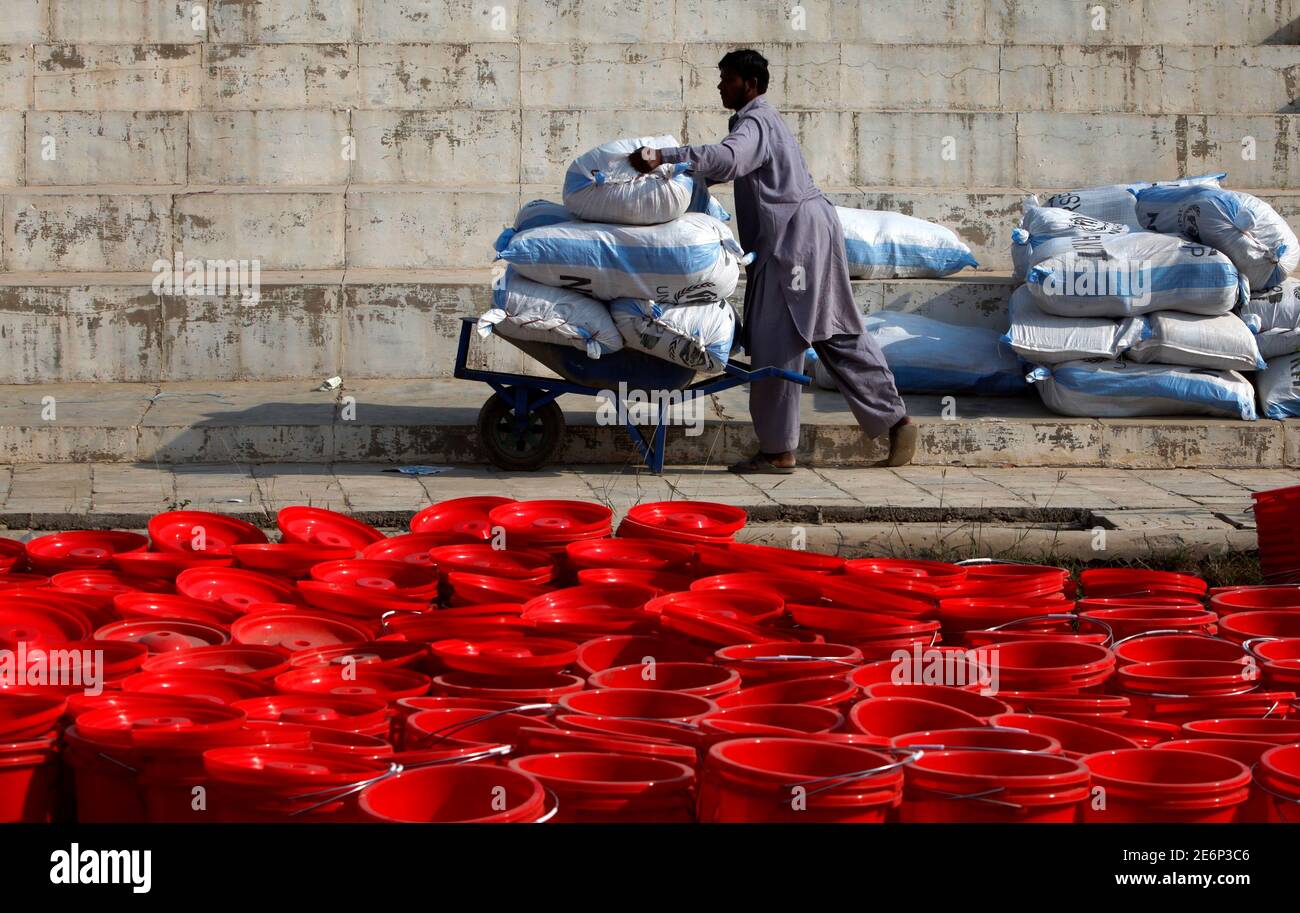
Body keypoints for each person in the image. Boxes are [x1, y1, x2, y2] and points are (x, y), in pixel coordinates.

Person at [629, 48, 916, 474]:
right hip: (807, 232)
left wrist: (663, 157)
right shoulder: (757, 123)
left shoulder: (756, 121)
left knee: (775, 341)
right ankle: (895, 419)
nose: (720, 85)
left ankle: (778, 451)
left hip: (792, 240)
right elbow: (727, 168)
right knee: (833, 329)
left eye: (726, 78)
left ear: (749, 83)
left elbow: (728, 158)